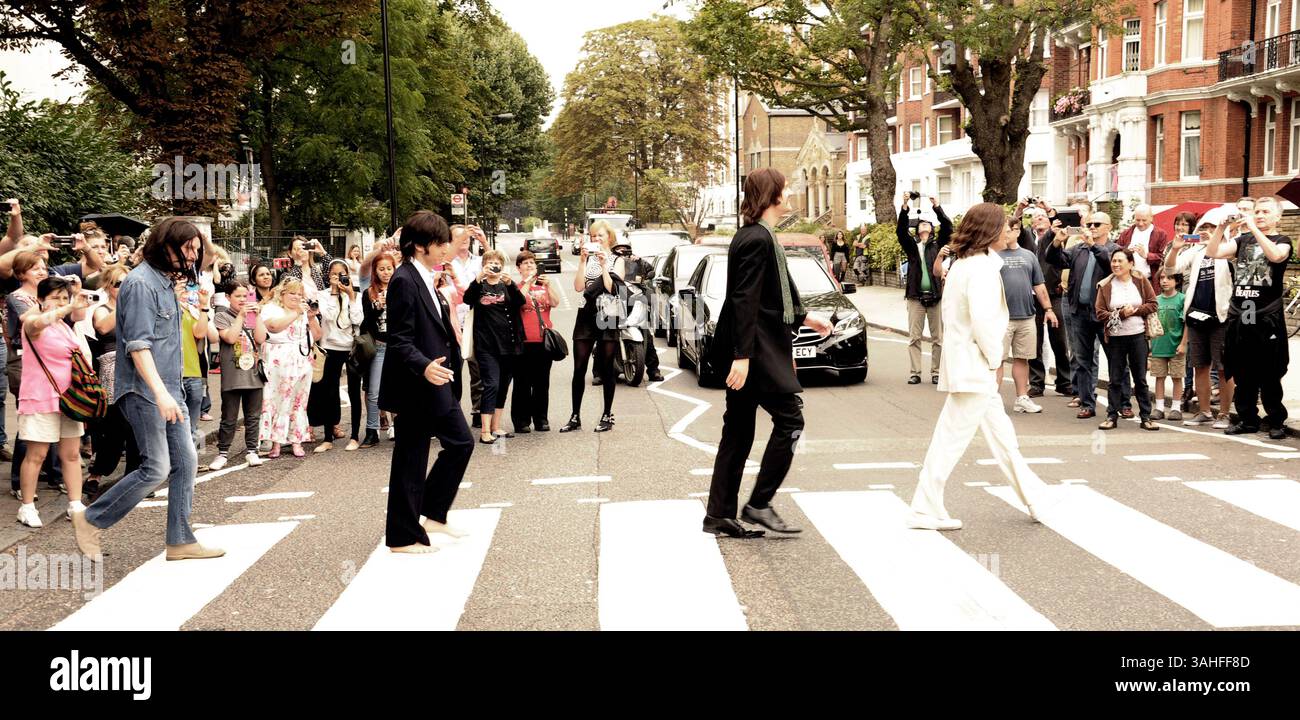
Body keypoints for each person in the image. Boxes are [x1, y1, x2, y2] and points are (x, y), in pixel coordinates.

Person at [72, 218, 224, 562]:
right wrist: (160, 393)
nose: (192, 257)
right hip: (145, 392)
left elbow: (206, 257)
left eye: (195, 250)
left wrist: (200, 238)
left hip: (170, 389)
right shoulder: (141, 284)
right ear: (164, 246)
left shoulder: (165, 281)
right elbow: (138, 346)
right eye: (186, 248)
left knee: (185, 461)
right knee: (155, 468)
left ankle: (181, 539)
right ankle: (90, 520)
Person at [907, 203, 1054, 531]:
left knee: (1003, 439)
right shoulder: (981, 269)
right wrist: (993, 362)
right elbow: (984, 323)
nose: (1008, 231)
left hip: (969, 366)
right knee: (950, 441)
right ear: (988, 231)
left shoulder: (969, 264)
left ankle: (1035, 498)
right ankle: (923, 508)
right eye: (1003, 226)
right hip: (975, 368)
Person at [703, 168, 832, 539]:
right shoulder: (758, 239)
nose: (789, 192)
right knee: (791, 421)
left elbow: (769, 290)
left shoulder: (757, 236)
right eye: (785, 187)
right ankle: (759, 503)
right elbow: (745, 299)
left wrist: (805, 315)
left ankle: (719, 514)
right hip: (755, 350)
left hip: (753, 345)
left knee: (738, 432)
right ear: (772, 194)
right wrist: (742, 356)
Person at [379, 210, 473, 554]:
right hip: (417, 384)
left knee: (460, 443)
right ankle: (402, 536)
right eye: (441, 242)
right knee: (411, 457)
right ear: (420, 246)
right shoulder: (404, 279)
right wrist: (424, 367)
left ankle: (433, 513)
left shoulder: (424, 275)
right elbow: (400, 338)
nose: (446, 248)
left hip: (436, 380)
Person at [1208, 197, 1292, 439]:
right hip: (1242, 312)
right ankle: (1247, 419)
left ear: (1277, 217)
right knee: (1243, 370)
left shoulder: (1282, 241)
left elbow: (1276, 256)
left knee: (1270, 372)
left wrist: (1253, 227)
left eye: (1265, 212)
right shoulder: (1242, 240)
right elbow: (1213, 252)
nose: (1260, 215)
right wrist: (1221, 228)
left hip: (1267, 316)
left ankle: (1276, 421)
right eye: (1257, 211)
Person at [14, 275, 93, 528]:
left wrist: (74, 301)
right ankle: (27, 506)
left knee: (70, 455)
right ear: (40, 300)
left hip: (69, 399)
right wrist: (67, 307)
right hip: (40, 398)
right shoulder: (32, 325)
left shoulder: (64, 326)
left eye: (63, 298)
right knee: (37, 454)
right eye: (54, 299)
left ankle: (75, 503)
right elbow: (38, 321)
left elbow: (78, 318)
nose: (60, 303)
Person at [1047, 211, 1122, 420]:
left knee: (1116, 359)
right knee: (1083, 360)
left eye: (1097, 224)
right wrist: (1056, 242)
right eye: (1089, 224)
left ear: (1109, 227)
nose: (1092, 227)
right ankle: (1087, 402)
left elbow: (1111, 266)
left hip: (1105, 314)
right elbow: (1054, 259)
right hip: (1080, 312)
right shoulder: (1078, 248)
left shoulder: (1115, 250)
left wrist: (1093, 246)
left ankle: (1123, 402)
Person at [1165, 213, 1235, 428]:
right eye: (1204, 227)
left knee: (1223, 368)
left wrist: (1221, 234)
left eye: (1212, 227)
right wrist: (1176, 248)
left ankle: (1224, 414)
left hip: (1221, 316)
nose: (1207, 231)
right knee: (1200, 366)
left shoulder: (1231, 248)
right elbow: (1170, 269)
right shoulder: (1195, 251)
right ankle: (1204, 411)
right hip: (1196, 314)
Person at [561, 220, 624, 433]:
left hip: (607, 315)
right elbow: (579, 286)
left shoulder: (617, 260)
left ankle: (607, 414)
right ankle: (575, 416)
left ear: (609, 238)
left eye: (600, 236)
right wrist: (581, 262)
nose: (596, 239)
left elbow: (611, 288)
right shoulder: (587, 260)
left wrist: (605, 265)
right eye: (593, 236)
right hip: (586, 315)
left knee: (607, 369)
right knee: (579, 368)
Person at [85, 264, 139, 495]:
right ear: (108, 286)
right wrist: (125, 304)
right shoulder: (102, 309)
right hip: (112, 372)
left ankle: (134, 477)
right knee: (114, 429)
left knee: (137, 427)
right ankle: (96, 473)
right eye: (119, 284)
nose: (124, 288)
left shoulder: (139, 308)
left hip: (137, 368)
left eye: (128, 284)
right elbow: (103, 327)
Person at [463, 249, 526, 442]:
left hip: (509, 344)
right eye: (489, 262)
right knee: (491, 384)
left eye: (497, 263)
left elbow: (521, 302)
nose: (493, 266)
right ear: (483, 265)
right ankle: (484, 431)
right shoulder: (478, 286)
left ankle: (496, 427)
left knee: (503, 386)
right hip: (486, 345)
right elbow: (467, 299)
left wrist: (511, 284)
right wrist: (477, 279)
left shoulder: (507, 284)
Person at [997, 215, 1058, 414]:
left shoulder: (1029, 255)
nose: (1004, 233)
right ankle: (992, 400)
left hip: (1026, 316)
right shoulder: (993, 255)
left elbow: (1039, 286)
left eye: (1008, 229)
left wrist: (1048, 310)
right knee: (996, 360)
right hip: (1001, 317)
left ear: (1017, 230)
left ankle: (1022, 398)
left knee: (1023, 359)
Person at [1094, 248, 1159, 431]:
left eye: (1120, 261)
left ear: (1130, 264)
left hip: (1138, 335)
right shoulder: (1105, 285)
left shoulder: (1140, 281)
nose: (1116, 264)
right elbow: (1099, 313)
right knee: (1115, 379)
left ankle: (1146, 416)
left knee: (1140, 378)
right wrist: (1122, 313)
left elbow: (1153, 304)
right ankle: (1111, 416)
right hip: (1115, 338)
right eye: (1114, 261)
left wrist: (1136, 311)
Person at [259, 278, 322, 459]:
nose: (296, 297)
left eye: (300, 294)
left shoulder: (303, 312)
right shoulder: (272, 308)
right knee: (275, 400)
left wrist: (311, 318)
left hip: (301, 360)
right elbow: (273, 327)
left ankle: (297, 440)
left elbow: (317, 336)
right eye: (292, 293)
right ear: (282, 293)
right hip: (278, 360)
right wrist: (296, 313)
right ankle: (275, 443)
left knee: (299, 402)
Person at [307, 260, 364, 452]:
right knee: (329, 393)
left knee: (355, 393)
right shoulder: (322, 295)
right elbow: (330, 317)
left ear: (348, 274)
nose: (339, 277)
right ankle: (328, 437)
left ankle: (355, 436)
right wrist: (333, 292)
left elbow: (357, 320)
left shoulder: (356, 295)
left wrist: (351, 296)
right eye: (334, 274)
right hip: (329, 347)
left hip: (351, 347)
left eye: (342, 274)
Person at [209, 282, 267, 470]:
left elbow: (260, 339)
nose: (242, 300)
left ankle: (252, 450)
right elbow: (230, 338)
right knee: (229, 417)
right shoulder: (222, 316)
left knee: (253, 416)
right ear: (228, 298)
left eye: (246, 296)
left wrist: (257, 317)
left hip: (254, 372)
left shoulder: (254, 315)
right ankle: (223, 453)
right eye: (238, 296)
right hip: (232, 374)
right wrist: (241, 317)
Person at [1017, 203, 1072, 398]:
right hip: (1031, 297)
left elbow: (1060, 225)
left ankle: (1065, 381)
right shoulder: (1026, 238)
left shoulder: (1055, 236)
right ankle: (1037, 383)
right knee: (1035, 341)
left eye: (1043, 216)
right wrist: (1020, 209)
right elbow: (1015, 225)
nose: (1039, 218)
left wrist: (1049, 210)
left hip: (1054, 294)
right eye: (1036, 216)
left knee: (1059, 340)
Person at [897, 193, 952, 385]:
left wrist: (937, 207)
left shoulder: (938, 245)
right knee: (914, 337)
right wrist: (905, 206)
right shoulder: (912, 245)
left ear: (932, 229)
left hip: (936, 296)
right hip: (915, 297)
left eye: (928, 223)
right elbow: (900, 231)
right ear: (917, 229)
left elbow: (948, 227)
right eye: (921, 224)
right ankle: (915, 372)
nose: (924, 225)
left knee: (938, 338)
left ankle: (936, 372)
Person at [511, 250, 559, 433]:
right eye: (525, 263)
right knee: (522, 382)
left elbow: (554, 303)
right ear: (519, 268)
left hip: (543, 340)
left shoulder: (543, 286)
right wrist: (528, 282)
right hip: (523, 341)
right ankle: (521, 420)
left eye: (532, 263)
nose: (530, 266)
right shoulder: (516, 286)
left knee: (541, 382)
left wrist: (549, 286)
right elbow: (518, 301)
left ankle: (541, 419)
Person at [448, 225, 485, 427]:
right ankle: (452, 413)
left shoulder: (479, 261)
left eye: (466, 236)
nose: (464, 239)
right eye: (459, 236)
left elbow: (497, 266)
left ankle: (478, 411)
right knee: (453, 370)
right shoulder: (444, 262)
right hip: (452, 321)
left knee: (477, 369)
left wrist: (484, 241)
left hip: (475, 320)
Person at [360, 252, 396, 448]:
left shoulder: (401, 288)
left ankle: (398, 427)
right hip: (379, 346)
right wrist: (379, 307)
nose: (385, 273)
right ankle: (372, 431)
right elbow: (367, 321)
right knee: (374, 391)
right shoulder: (369, 292)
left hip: (399, 347)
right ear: (375, 271)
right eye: (381, 269)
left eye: (389, 268)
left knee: (399, 389)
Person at [176, 276, 211, 448]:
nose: (183, 290)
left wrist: (204, 307)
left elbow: (200, 333)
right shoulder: (163, 307)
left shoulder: (189, 309)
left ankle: (190, 463)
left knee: (192, 424)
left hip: (193, 372)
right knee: (176, 425)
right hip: (173, 374)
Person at [1149, 269, 1187, 421]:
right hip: (1158, 345)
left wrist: (1184, 343)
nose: (1165, 281)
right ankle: (1158, 407)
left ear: (1177, 280)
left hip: (1176, 346)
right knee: (1159, 376)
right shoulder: (1155, 300)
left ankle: (1176, 408)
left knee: (1177, 377)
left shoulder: (1182, 299)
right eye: (1162, 278)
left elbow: (1186, 324)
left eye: (1169, 278)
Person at [1116, 205, 1169, 279]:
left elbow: (1164, 258)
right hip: (1128, 279)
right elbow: (1116, 253)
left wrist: (1146, 255)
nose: (1140, 223)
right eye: (1138, 220)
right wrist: (1126, 252)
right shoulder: (1126, 233)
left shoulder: (1161, 234)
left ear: (1151, 218)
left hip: (1150, 280)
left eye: (1144, 220)